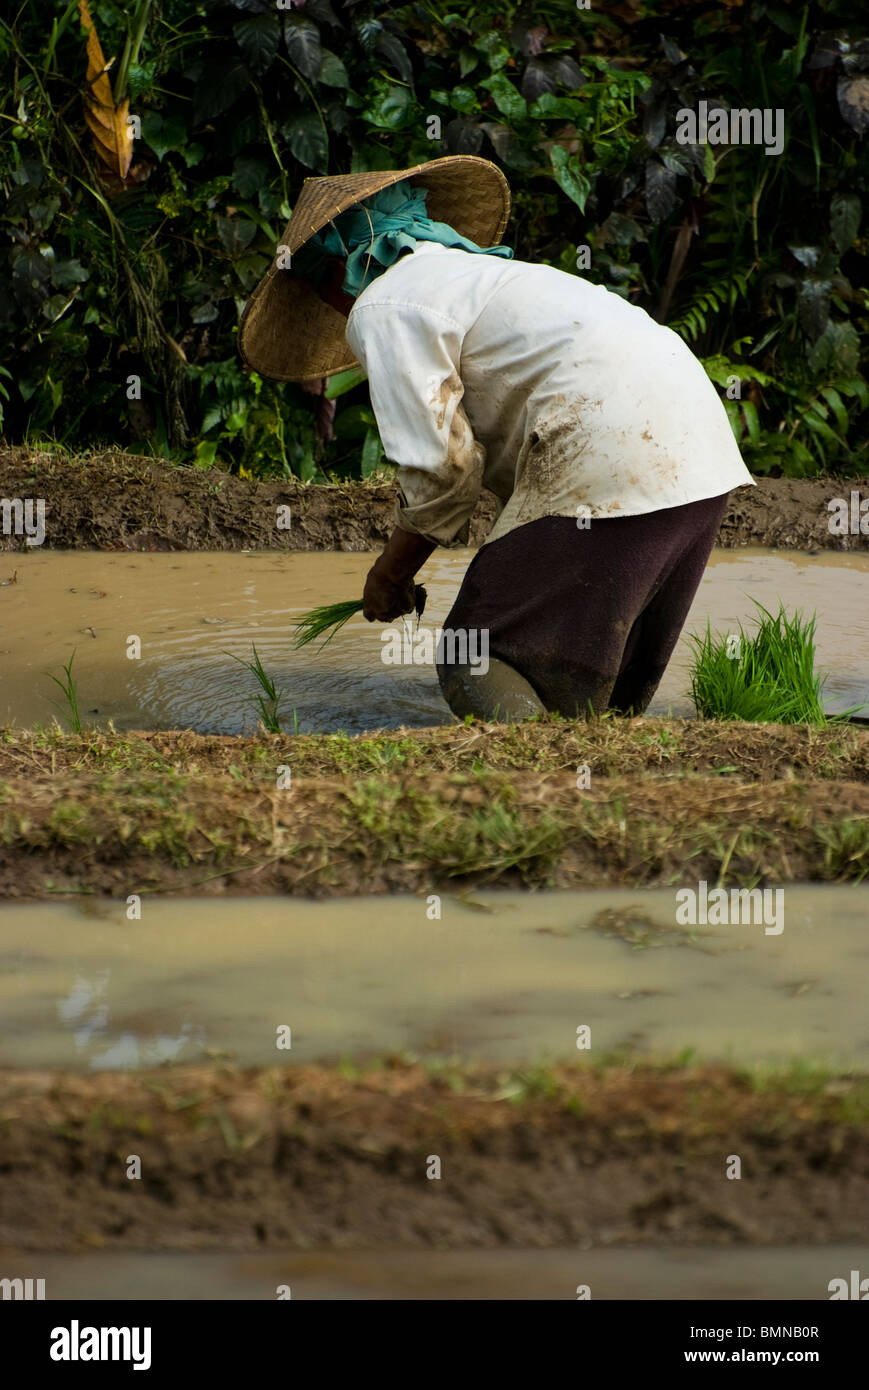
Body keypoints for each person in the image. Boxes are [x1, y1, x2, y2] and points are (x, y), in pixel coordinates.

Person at [239, 156, 755, 721]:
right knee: (592, 702)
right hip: (702, 457)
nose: (334, 311)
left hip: (609, 450)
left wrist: (390, 574)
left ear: (337, 272)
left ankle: (528, 791)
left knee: (477, 653)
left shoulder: (386, 304)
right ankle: (592, 789)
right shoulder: (487, 280)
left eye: (322, 294)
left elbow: (443, 472)